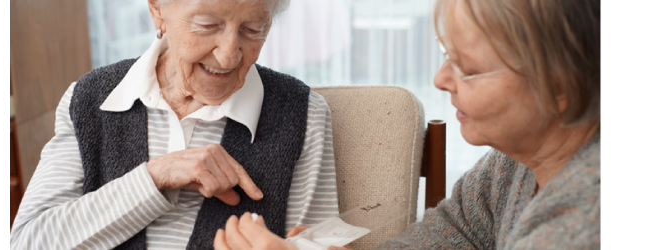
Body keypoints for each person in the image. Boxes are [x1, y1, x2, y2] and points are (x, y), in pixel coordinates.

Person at [213, 0, 600, 249]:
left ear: (558, 87)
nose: (440, 79)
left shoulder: (584, 223)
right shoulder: (511, 165)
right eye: (447, 55)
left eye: (468, 69)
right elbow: (452, 231)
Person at [9, 0, 340, 249]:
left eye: (252, 29)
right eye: (207, 25)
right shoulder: (91, 99)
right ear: (157, 9)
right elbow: (28, 241)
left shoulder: (301, 113)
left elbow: (320, 243)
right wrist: (158, 176)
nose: (229, 56)